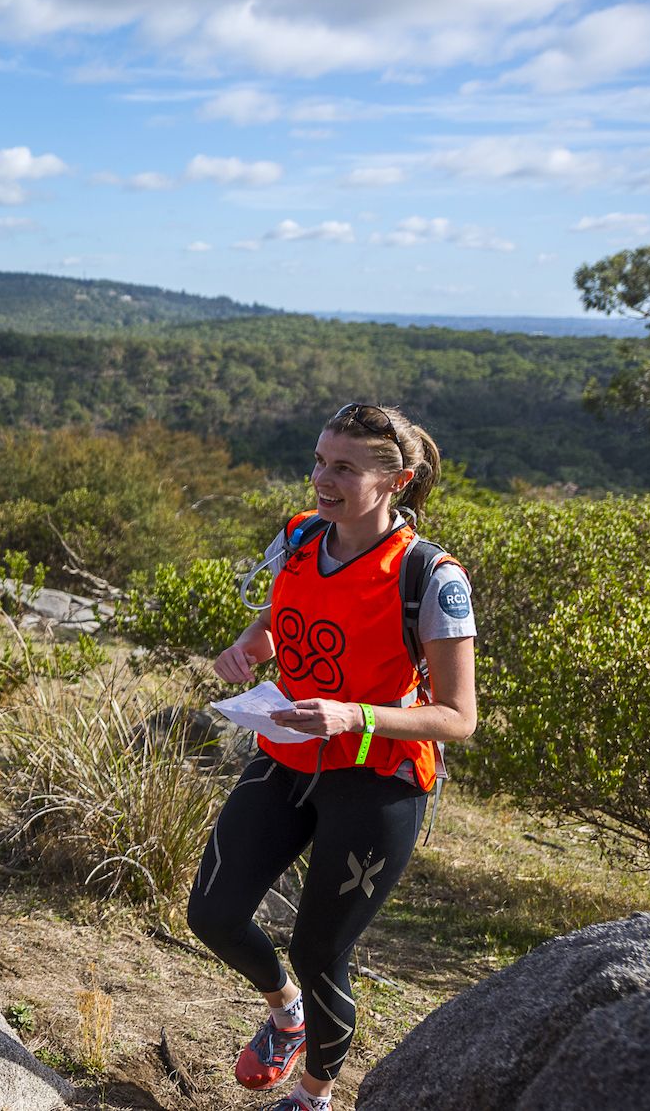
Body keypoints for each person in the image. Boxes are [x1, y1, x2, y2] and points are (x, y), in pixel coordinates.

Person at [186, 403, 477, 1111]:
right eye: (320, 460)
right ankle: (286, 1014)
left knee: (319, 953)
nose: (322, 478)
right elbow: (284, 612)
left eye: (344, 467)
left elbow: (458, 717)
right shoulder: (299, 537)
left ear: (398, 481)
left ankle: (313, 1095)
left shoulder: (430, 578)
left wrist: (354, 714)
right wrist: (251, 647)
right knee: (213, 916)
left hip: (378, 783)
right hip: (287, 752)